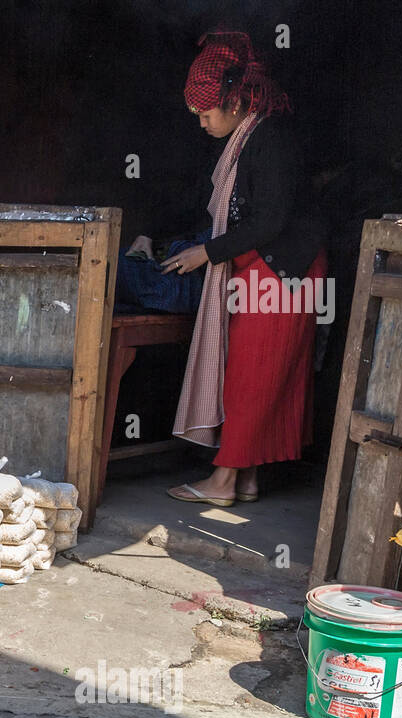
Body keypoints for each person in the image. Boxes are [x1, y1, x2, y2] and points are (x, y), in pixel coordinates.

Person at [162, 30, 327, 507]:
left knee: (252, 377)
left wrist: (207, 253)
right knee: (255, 373)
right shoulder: (248, 138)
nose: (202, 122)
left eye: (207, 112)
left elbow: (270, 219)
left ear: (236, 102)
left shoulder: (269, 140)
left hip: (284, 274)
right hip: (265, 268)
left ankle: (222, 483)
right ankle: (246, 480)